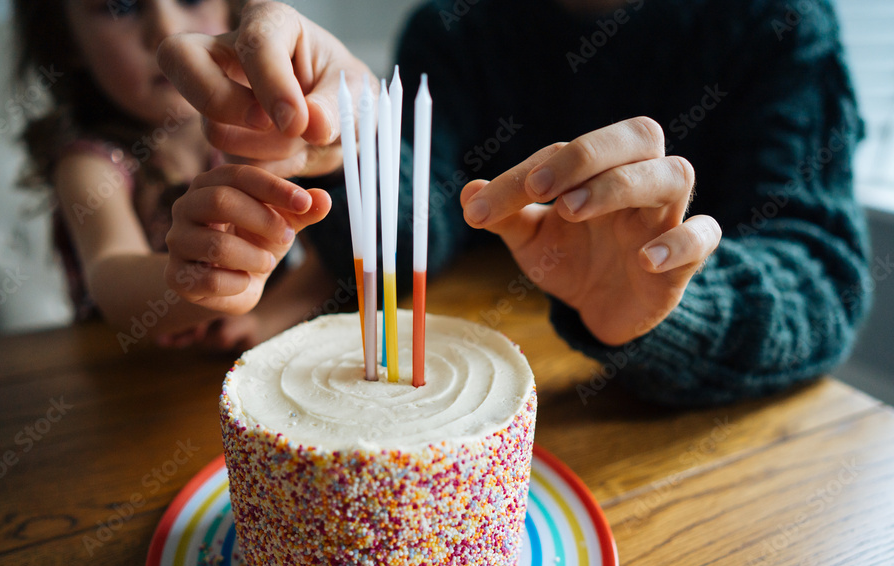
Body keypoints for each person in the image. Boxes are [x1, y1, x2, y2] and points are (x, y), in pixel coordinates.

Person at [159, 0, 872, 406]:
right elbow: (427, 221)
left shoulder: (776, 25)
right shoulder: (454, 27)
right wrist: (348, 145)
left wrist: (675, 296)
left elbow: (824, 279)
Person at [13, 0, 333, 350]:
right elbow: (111, 277)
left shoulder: (267, 125)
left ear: (232, 10)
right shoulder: (89, 165)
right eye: (121, 7)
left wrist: (265, 317)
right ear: (68, 41)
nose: (167, 31)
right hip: (139, 384)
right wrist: (195, 281)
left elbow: (334, 250)